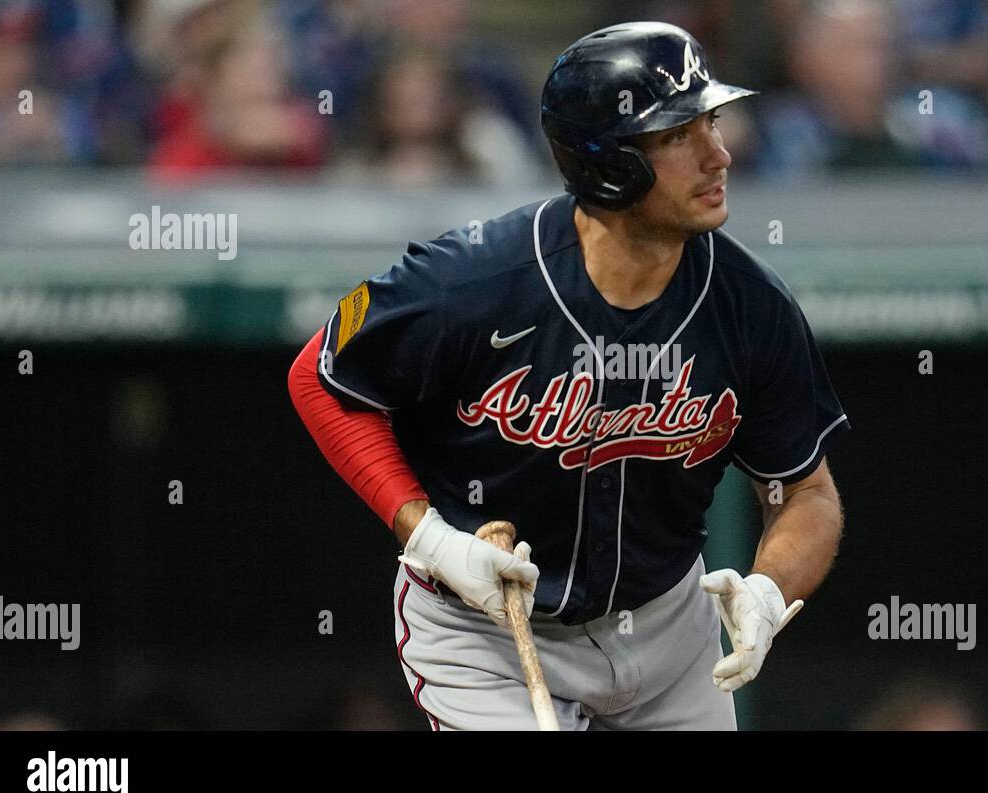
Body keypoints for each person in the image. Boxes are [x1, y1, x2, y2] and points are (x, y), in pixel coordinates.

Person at [288, 21, 848, 730]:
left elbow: (805, 490)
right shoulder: (475, 280)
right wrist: (427, 536)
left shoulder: (750, 305)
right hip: (484, 629)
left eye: (711, 122)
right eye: (680, 134)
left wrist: (768, 589)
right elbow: (323, 377)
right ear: (608, 161)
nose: (719, 153)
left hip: (669, 630)